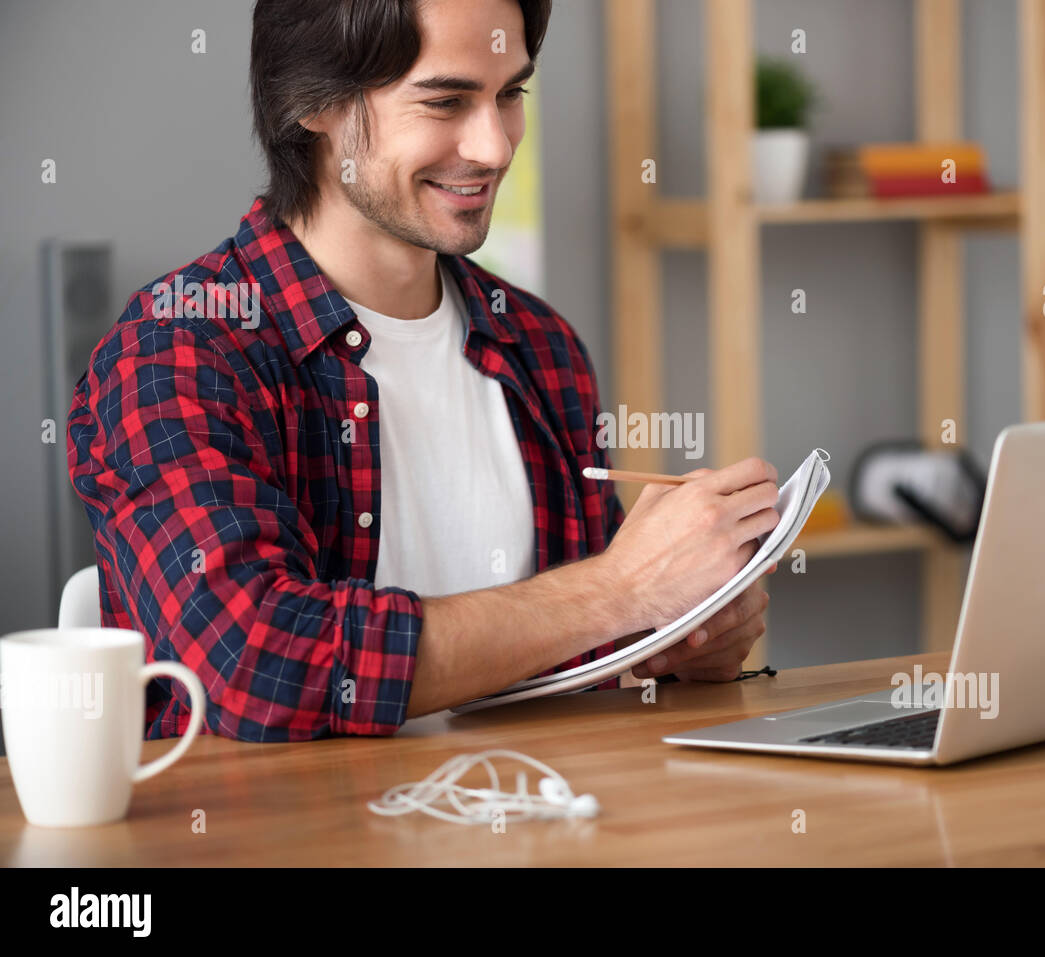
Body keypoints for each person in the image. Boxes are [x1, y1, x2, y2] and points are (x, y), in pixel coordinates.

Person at [66, 0, 779, 742]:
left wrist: (676, 634)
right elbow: (253, 661)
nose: (496, 147)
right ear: (315, 103)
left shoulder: (539, 345)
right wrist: (623, 589)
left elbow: (575, 649)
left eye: (510, 95)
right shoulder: (179, 349)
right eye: (445, 101)